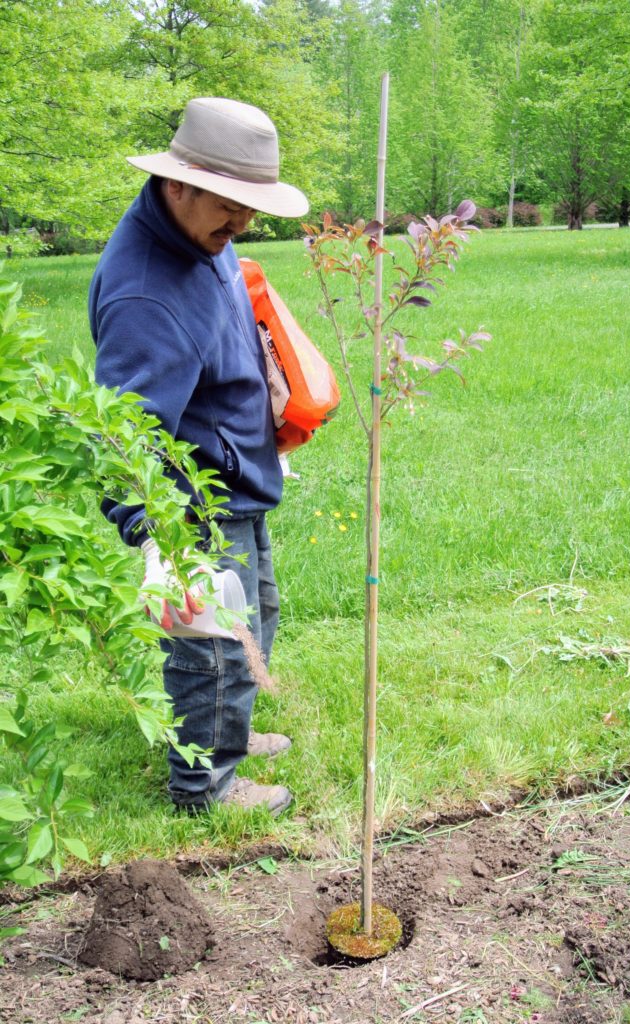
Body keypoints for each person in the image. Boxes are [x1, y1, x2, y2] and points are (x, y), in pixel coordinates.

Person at [89, 97, 309, 815]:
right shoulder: (146, 295)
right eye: (230, 205)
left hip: (236, 479)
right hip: (193, 509)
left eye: (251, 208)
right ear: (178, 184)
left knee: (255, 618)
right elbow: (121, 431)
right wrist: (157, 535)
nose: (242, 223)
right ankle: (205, 787)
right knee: (212, 647)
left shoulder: (201, 237)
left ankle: (228, 732)